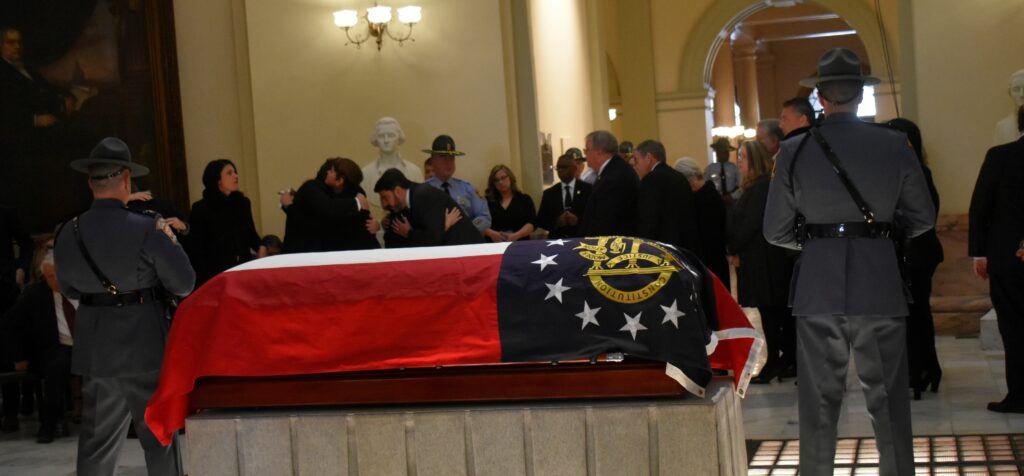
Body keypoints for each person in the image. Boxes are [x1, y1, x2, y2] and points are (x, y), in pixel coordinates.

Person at [763, 48, 935, 476]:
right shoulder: (895, 144)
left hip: (818, 284)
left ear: (820, 98)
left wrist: (820, 246)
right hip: (879, 280)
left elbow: (775, 231)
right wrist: (877, 240)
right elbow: (922, 218)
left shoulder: (794, 151)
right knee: (889, 399)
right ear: (861, 96)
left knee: (820, 401)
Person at [53, 137, 195, 475]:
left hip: (96, 347)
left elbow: (70, 287)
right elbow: (184, 283)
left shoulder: (66, 232)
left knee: (97, 442)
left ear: (90, 181)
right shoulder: (148, 227)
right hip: (144, 344)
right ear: (128, 180)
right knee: (158, 435)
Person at [969, 105, 1024, 414]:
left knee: (1014, 325)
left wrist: (980, 252)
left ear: (1018, 125)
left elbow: (980, 206)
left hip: (1007, 255)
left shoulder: (1000, 156)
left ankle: (1018, 395)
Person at [887, 117, 945, 400]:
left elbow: (923, 215)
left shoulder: (914, 172)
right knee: (915, 313)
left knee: (913, 314)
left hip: (914, 253)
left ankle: (919, 369)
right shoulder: (915, 170)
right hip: (912, 252)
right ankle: (925, 368)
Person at [728, 140, 794, 384]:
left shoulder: (761, 187)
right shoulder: (754, 187)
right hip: (756, 259)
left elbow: (751, 223)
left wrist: (734, 247)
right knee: (770, 312)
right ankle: (781, 358)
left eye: (743, 157)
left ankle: (779, 359)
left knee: (772, 311)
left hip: (764, 259)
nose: (739, 162)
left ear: (755, 160)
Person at [2, 251, 74, 443]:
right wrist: (18, 356)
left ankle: (128, 423)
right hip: (55, 347)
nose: (57, 280)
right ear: (44, 276)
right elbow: (10, 325)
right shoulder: (35, 294)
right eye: (51, 276)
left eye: (60, 275)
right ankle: (49, 423)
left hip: (87, 345)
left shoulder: (83, 288)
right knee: (55, 366)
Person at [186, 159, 262, 287]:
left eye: (235, 172)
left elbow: (250, 233)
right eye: (229, 173)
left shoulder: (243, 203)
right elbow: (197, 247)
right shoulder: (201, 208)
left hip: (243, 268)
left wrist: (262, 247)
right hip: (215, 273)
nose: (236, 176)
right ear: (217, 179)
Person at [281, 158, 374, 253]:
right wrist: (357, 202)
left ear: (340, 180)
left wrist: (289, 206)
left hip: (338, 251)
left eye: (331, 171)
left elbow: (328, 209)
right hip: (310, 250)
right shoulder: (315, 189)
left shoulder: (322, 191)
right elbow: (328, 208)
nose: (328, 172)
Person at [374, 169, 481, 247]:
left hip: (467, 254)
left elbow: (432, 239)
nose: (383, 204)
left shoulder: (424, 196)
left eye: (385, 197)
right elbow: (391, 241)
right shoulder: (400, 207)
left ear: (397, 191)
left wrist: (409, 233)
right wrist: (442, 228)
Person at [631, 140, 700, 253]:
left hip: (662, 250)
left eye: (637, 159)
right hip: (685, 247)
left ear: (648, 158)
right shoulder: (679, 177)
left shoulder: (650, 180)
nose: (634, 164)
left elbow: (648, 221)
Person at [0, 204, 32, 433]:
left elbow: (27, 243)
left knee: (6, 348)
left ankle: (11, 412)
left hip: (4, 286)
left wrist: (21, 268)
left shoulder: (5, 212)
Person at [674, 157, 730, 289]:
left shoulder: (706, 199)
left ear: (690, 178)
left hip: (711, 262)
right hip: (711, 261)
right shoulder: (706, 195)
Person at [423, 135, 491, 234]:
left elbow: (484, 216)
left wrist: (467, 228)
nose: (448, 162)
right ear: (433, 160)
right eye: (443, 157)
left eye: (451, 157)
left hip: (464, 243)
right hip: (435, 245)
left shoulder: (466, 188)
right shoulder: (422, 191)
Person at [579, 130, 638, 237]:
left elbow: (605, 220)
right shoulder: (613, 170)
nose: (585, 154)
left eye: (586, 150)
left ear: (599, 152)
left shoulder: (614, 177)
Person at [361, 117, 424, 217]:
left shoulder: (415, 171)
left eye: (391, 135)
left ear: (399, 138)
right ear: (376, 139)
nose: (386, 140)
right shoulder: (365, 174)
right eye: (381, 136)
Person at [536, 153, 592, 239]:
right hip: (557, 241)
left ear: (574, 168)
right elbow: (541, 220)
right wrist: (557, 222)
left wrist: (578, 221)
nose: (560, 170)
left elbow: (595, 216)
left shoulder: (588, 190)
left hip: (581, 240)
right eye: (558, 168)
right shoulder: (549, 193)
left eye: (564, 167)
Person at [483, 165, 536, 242]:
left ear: (511, 178)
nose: (500, 182)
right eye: (496, 180)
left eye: (503, 178)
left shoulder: (524, 199)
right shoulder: (487, 201)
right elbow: (479, 224)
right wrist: (492, 234)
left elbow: (532, 223)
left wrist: (517, 235)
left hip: (520, 244)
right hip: (494, 246)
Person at [705, 137, 741, 204]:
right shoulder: (710, 169)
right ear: (717, 152)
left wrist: (732, 196)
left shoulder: (734, 168)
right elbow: (705, 186)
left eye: (726, 152)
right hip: (715, 201)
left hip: (731, 201)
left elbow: (741, 185)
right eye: (721, 151)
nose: (724, 154)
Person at [993, 69, 1024, 145]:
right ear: (1010, 93)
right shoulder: (1002, 127)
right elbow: (998, 155)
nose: (1022, 94)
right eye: (1016, 89)